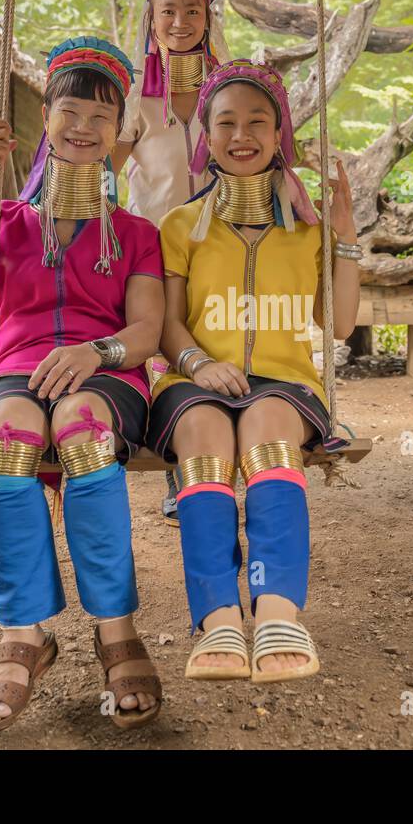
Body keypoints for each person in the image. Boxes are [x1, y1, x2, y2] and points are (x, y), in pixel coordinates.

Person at [0, 37, 165, 731]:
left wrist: (96, 352)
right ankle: (24, 635)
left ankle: (116, 630)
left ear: (118, 133)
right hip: (15, 377)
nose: (82, 127)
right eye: (68, 111)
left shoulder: (135, 233)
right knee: (12, 434)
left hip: (105, 376)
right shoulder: (6, 224)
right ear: (45, 118)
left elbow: (146, 330)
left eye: (100, 117)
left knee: (81, 427)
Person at [148, 59, 362, 683]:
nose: (242, 135)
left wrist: (344, 235)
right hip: (193, 380)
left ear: (279, 136)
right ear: (206, 137)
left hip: (284, 383)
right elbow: (167, 323)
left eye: (257, 123)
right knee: (205, 439)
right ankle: (217, 618)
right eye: (226, 123)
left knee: (268, 429)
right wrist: (198, 364)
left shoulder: (309, 230)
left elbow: (341, 324)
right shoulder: (180, 225)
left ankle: (276, 611)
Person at [111, 0, 232, 525]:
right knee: (163, 348)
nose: (180, 23)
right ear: (150, 18)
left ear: (208, 17)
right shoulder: (132, 92)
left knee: (209, 346)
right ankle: (177, 464)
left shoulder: (228, 88)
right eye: (168, 11)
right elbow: (103, 172)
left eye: (192, 10)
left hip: (219, 247)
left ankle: (206, 464)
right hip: (153, 249)